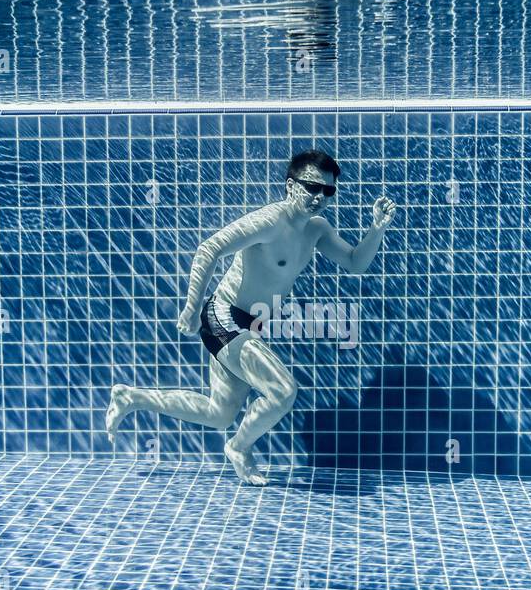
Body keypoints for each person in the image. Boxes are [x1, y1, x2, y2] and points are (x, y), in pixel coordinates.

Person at [106, 149, 397, 484]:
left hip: (248, 324)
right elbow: (209, 249)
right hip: (222, 315)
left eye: (327, 191)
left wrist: (377, 228)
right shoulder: (270, 221)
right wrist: (191, 306)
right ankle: (239, 448)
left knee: (220, 413)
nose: (319, 197)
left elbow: (355, 263)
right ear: (291, 185)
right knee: (282, 390)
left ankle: (131, 397)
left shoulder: (317, 230)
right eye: (312, 187)